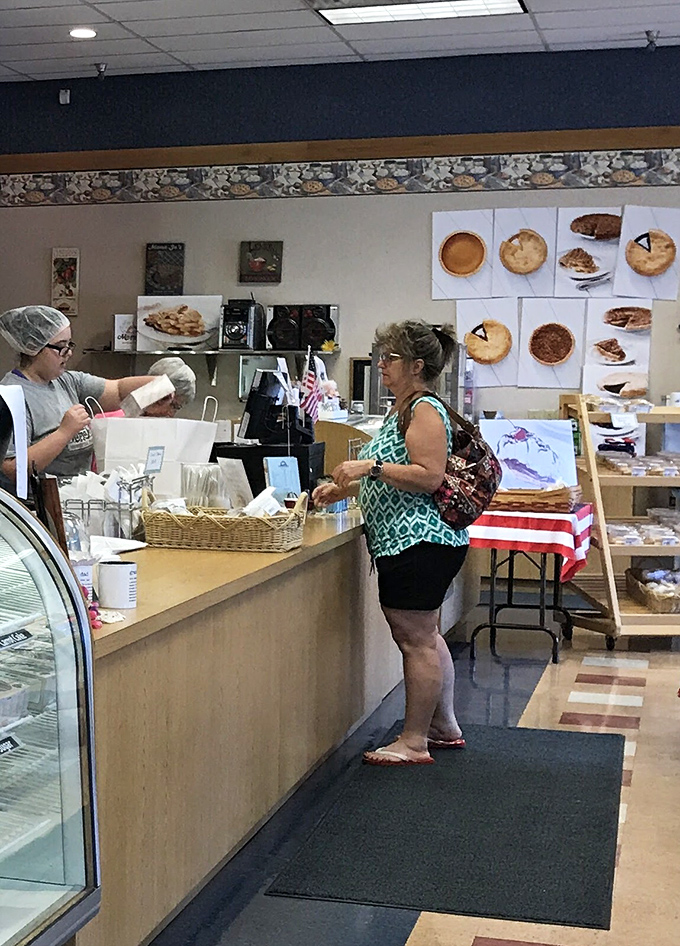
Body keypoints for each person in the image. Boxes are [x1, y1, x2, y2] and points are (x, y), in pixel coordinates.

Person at [312, 320, 469, 766]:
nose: (381, 365)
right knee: (425, 636)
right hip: (411, 543)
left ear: (417, 366)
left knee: (415, 640)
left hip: (419, 542)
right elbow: (398, 472)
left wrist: (368, 469)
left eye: (391, 358)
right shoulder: (403, 409)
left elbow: (429, 475)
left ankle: (414, 741)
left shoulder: (423, 410)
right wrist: (345, 488)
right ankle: (442, 726)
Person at [0, 305, 157, 489]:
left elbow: (119, 391)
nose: (69, 353)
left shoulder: (67, 381)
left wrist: (162, 385)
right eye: (60, 347)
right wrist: (64, 432)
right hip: (36, 508)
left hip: (76, 499)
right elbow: (13, 469)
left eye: (69, 345)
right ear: (33, 347)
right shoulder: (10, 397)